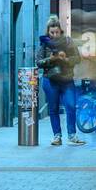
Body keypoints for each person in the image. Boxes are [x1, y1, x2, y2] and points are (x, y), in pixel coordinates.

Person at [38, 16, 84, 145]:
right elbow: (38, 62)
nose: (54, 35)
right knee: (53, 109)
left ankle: (72, 135)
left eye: (57, 32)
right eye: (52, 32)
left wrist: (66, 59)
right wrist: (50, 59)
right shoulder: (44, 44)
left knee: (71, 106)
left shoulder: (68, 42)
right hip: (50, 80)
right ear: (48, 32)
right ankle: (57, 136)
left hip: (66, 80)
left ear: (60, 30)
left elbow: (77, 59)